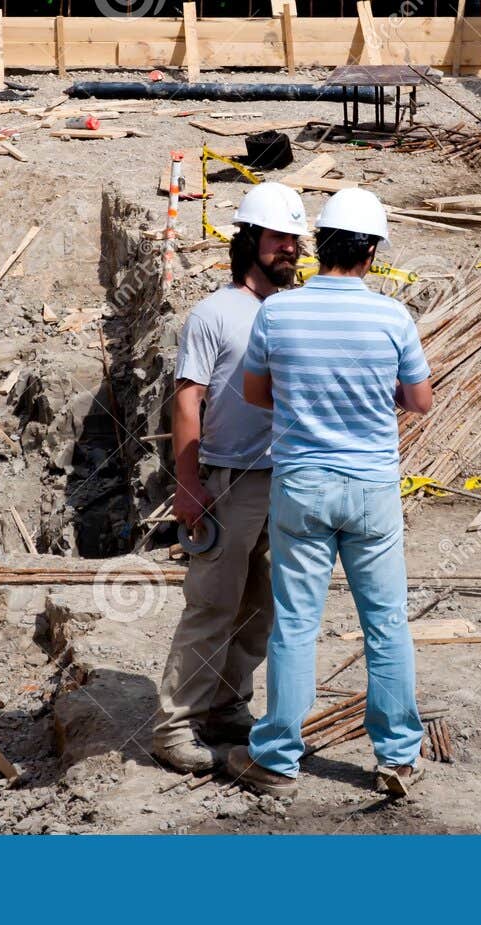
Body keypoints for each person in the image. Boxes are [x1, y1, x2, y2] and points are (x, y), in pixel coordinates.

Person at [226, 188, 434, 798]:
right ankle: (396, 756)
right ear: (370, 251)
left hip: (302, 486)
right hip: (371, 488)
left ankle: (277, 759)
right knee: (386, 623)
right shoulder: (393, 317)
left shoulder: (278, 313)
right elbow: (420, 402)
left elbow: (257, 396)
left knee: (294, 624)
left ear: (318, 246)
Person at [150, 182, 308, 773]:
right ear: (248, 241)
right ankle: (175, 725)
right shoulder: (215, 313)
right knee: (212, 605)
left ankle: (225, 704)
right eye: (276, 238)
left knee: (258, 609)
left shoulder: (293, 309)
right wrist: (188, 483)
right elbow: (187, 398)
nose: (287, 249)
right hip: (229, 480)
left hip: (282, 479)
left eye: (293, 239)